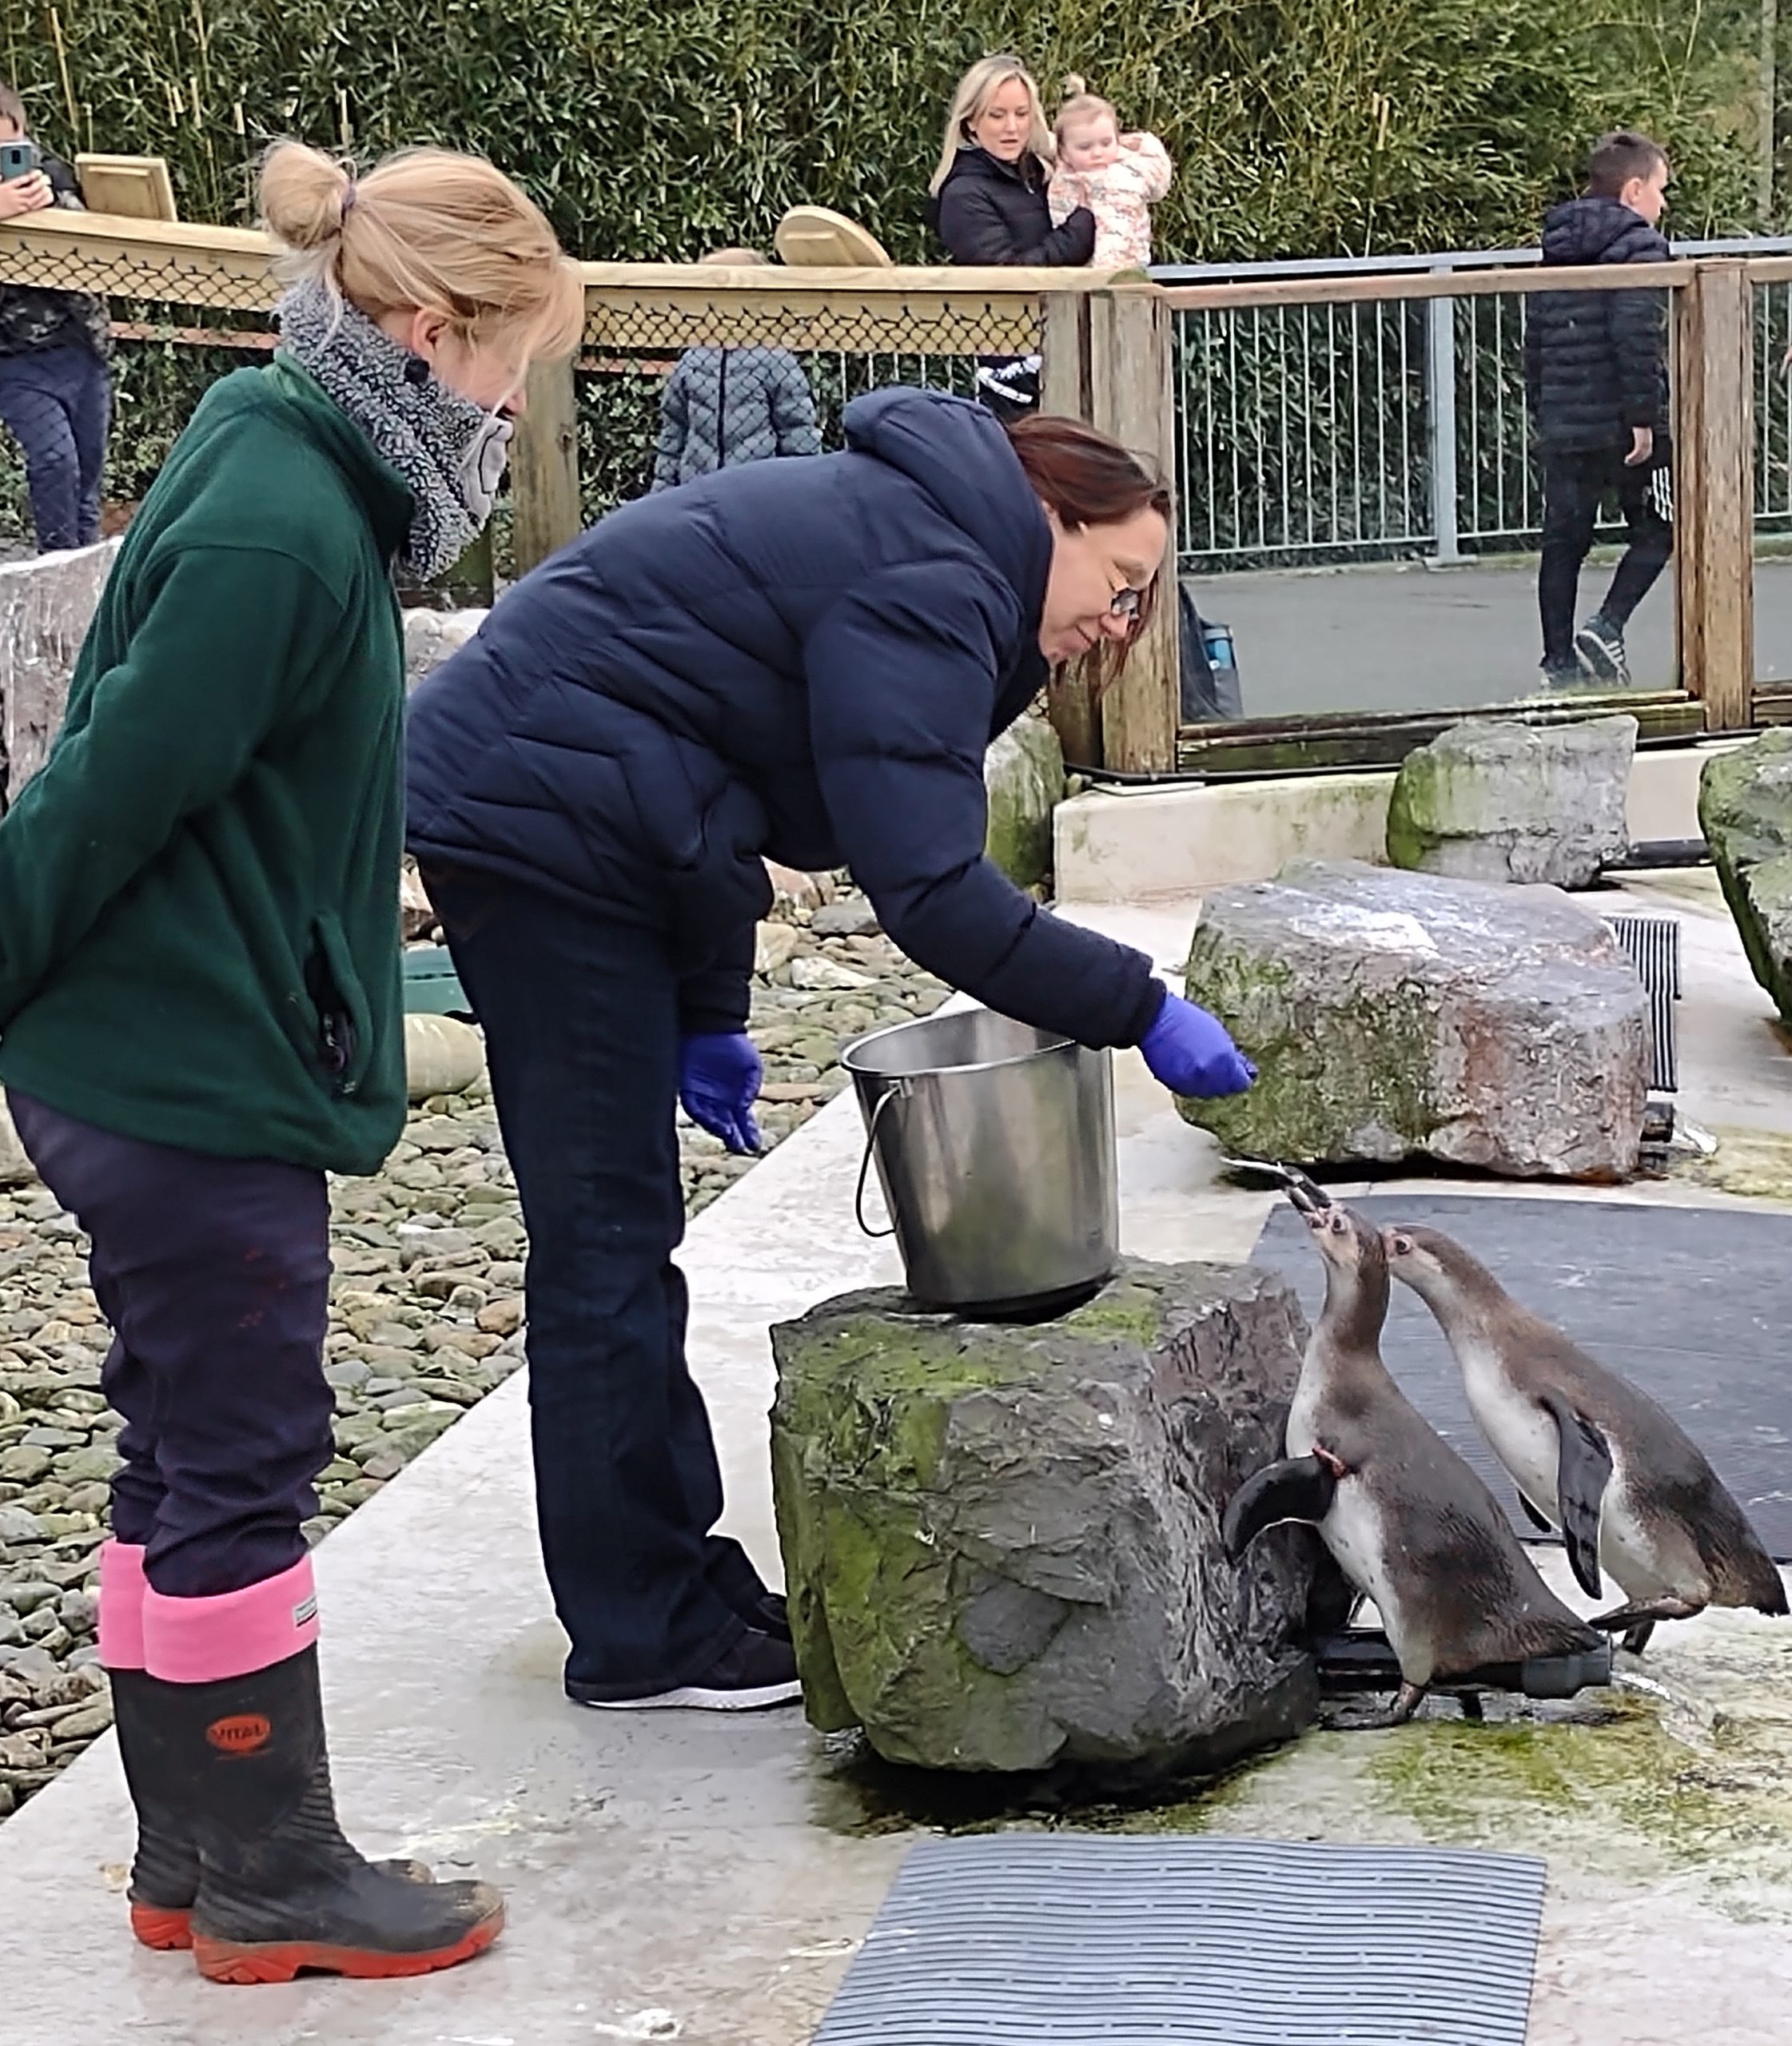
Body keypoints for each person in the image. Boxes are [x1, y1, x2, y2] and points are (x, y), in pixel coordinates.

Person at [404, 389, 1256, 1718]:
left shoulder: (910, 536)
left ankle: (675, 1572)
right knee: (603, 1244)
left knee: (623, 1236)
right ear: (1052, 517)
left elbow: (704, 772)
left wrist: (708, 1010)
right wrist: (1137, 1007)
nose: (1121, 622)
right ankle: (641, 1632)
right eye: (1120, 579)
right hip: (534, 828)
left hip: (584, 814)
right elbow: (931, 893)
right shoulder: (937, 577)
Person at [0, 139, 581, 1982]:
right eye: (508, 368)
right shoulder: (285, 514)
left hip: (171, 1035)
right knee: (244, 1450)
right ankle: (271, 1870)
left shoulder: (289, 451)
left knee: (179, 1439)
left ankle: (187, 1849)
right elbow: (105, 789)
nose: (509, 406)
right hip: (172, 1065)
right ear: (425, 332)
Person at [1525, 129, 1673, 689]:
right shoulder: (1640, 246)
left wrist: (1544, 406)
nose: (1663, 203)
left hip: (1565, 419)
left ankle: (1558, 664)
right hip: (1619, 420)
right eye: (1660, 189)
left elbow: (1535, 338)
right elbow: (1635, 334)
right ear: (1634, 190)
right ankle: (1607, 624)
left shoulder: (1557, 246)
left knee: (1564, 539)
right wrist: (1644, 418)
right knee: (1662, 525)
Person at [926, 54, 1095, 418]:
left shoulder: (1041, 175)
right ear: (971, 123)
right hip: (1012, 376)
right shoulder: (963, 194)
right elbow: (1007, 274)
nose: (1012, 128)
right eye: (997, 115)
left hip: (1069, 350)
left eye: (1021, 114)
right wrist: (1080, 231)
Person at [0, 82, 112, 552]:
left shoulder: (52, 176)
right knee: (54, 461)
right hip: (16, 356)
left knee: (87, 474)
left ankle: (83, 585)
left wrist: (56, 209)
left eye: (8, 145)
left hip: (83, 345)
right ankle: (57, 568)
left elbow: (98, 242)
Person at [651, 247, 821, 491]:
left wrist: (801, 495)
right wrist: (662, 492)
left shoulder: (775, 359)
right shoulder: (693, 360)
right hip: (698, 493)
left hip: (757, 497)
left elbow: (798, 436)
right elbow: (673, 435)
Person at [1047, 78, 1173, 272]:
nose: (1097, 153)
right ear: (1064, 152)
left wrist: (1106, 272)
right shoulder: (1063, 175)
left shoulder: (1122, 177)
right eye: (1085, 147)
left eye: (1106, 143)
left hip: (1122, 268)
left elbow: (1117, 230)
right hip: (1074, 269)